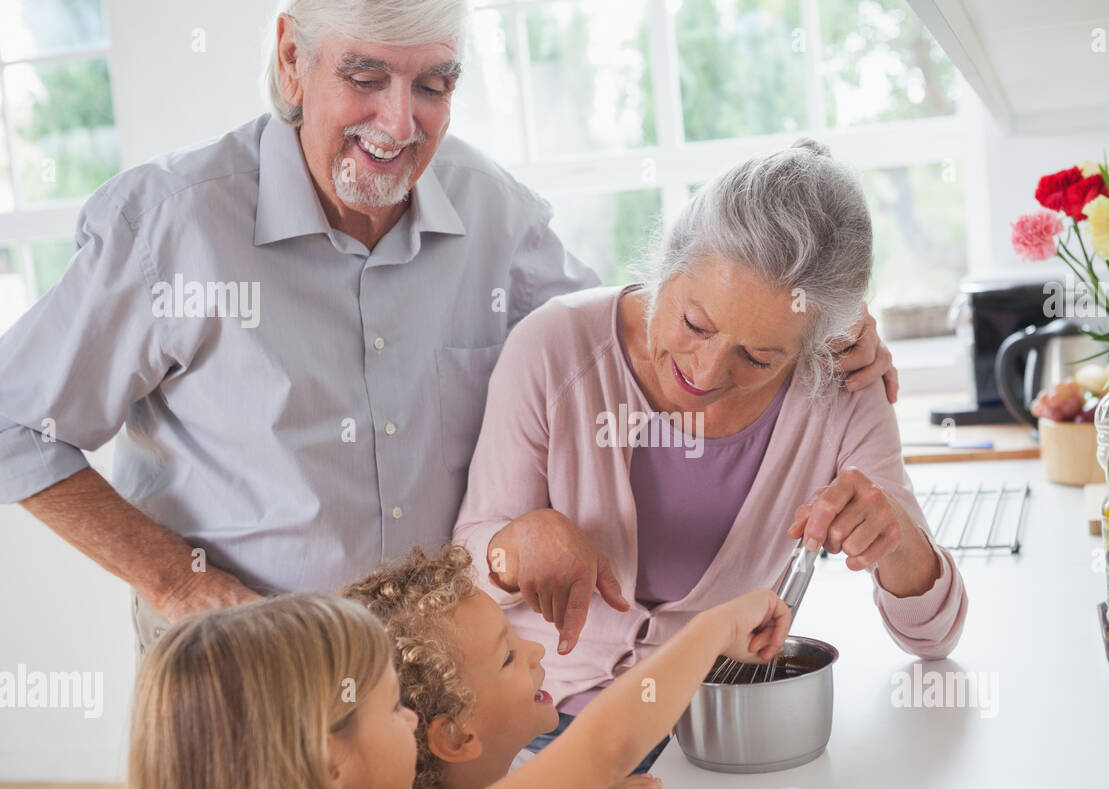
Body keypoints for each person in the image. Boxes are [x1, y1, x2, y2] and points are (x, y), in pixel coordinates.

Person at [0, 1, 894, 659]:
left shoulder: (493, 213)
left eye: (433, 84)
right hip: (247, 675)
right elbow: (15, 423)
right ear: (290, 56)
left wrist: (820, 334)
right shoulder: (174, 224)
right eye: (364, 78)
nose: (400, 123)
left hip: (444, 683)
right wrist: (178, 582)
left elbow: (632, 349)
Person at [454, 139, 967, 763]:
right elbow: (466, 569)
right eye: (695, 324)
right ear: (668, 263)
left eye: (758, 357)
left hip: (707, 741)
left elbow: (933, 637)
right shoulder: (553, 348)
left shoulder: (842, 388)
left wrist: (899, 540)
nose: (704, 369)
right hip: (536, 730)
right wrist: (517, 546)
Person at [127, 585, 789, 789]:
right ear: (329, 762)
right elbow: (604, 747)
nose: (411, 720)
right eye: (393, 708)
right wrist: (710, 631)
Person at [342, 542, 660, 789]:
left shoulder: (523, 766)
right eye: (508, 657)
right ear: (457, 737)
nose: (535, 649)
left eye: (515, 635)